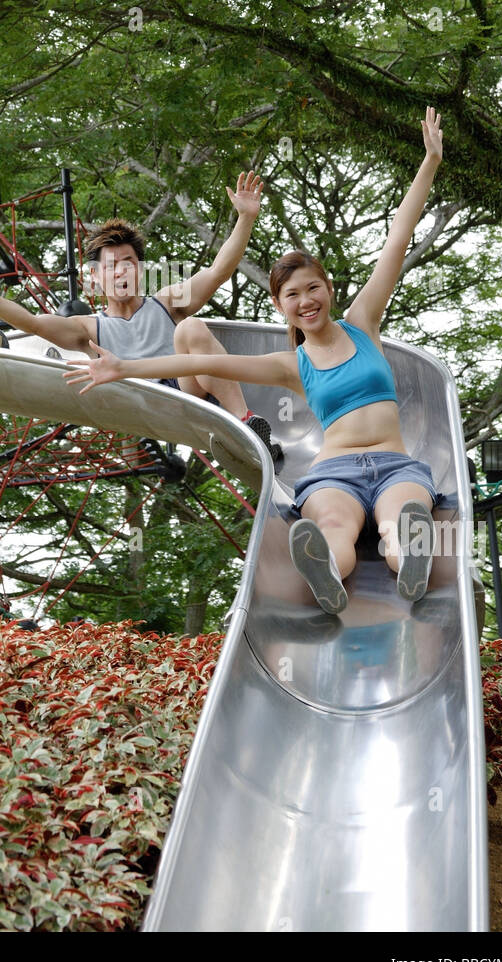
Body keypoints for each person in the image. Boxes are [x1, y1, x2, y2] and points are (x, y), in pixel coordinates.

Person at [63, 109, 445, 614]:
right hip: (333, 474)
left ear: (329, 290)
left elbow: (397, 239)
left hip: (398, 465)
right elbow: (212, 367)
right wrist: (122, 369)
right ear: (280, 305)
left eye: (313, 288)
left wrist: (430, 161)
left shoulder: (363, 323)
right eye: (292, 294)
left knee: (402, 522)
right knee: (333, 531)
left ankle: (406, 557)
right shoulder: (291, 364)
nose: (306, 300)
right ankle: (325, 571)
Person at [0, 171, 281, 459]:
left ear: (141, 270)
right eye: (112, 266)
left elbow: (218, 271)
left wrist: (246, 217)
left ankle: (247, 425)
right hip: (142, 403)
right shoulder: (89, 327)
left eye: (128, 263)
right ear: (96, 277)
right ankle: (243, 430)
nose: (121, 272)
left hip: (183, 391)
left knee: (191, 326)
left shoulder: (166, 302)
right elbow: (33, 323)